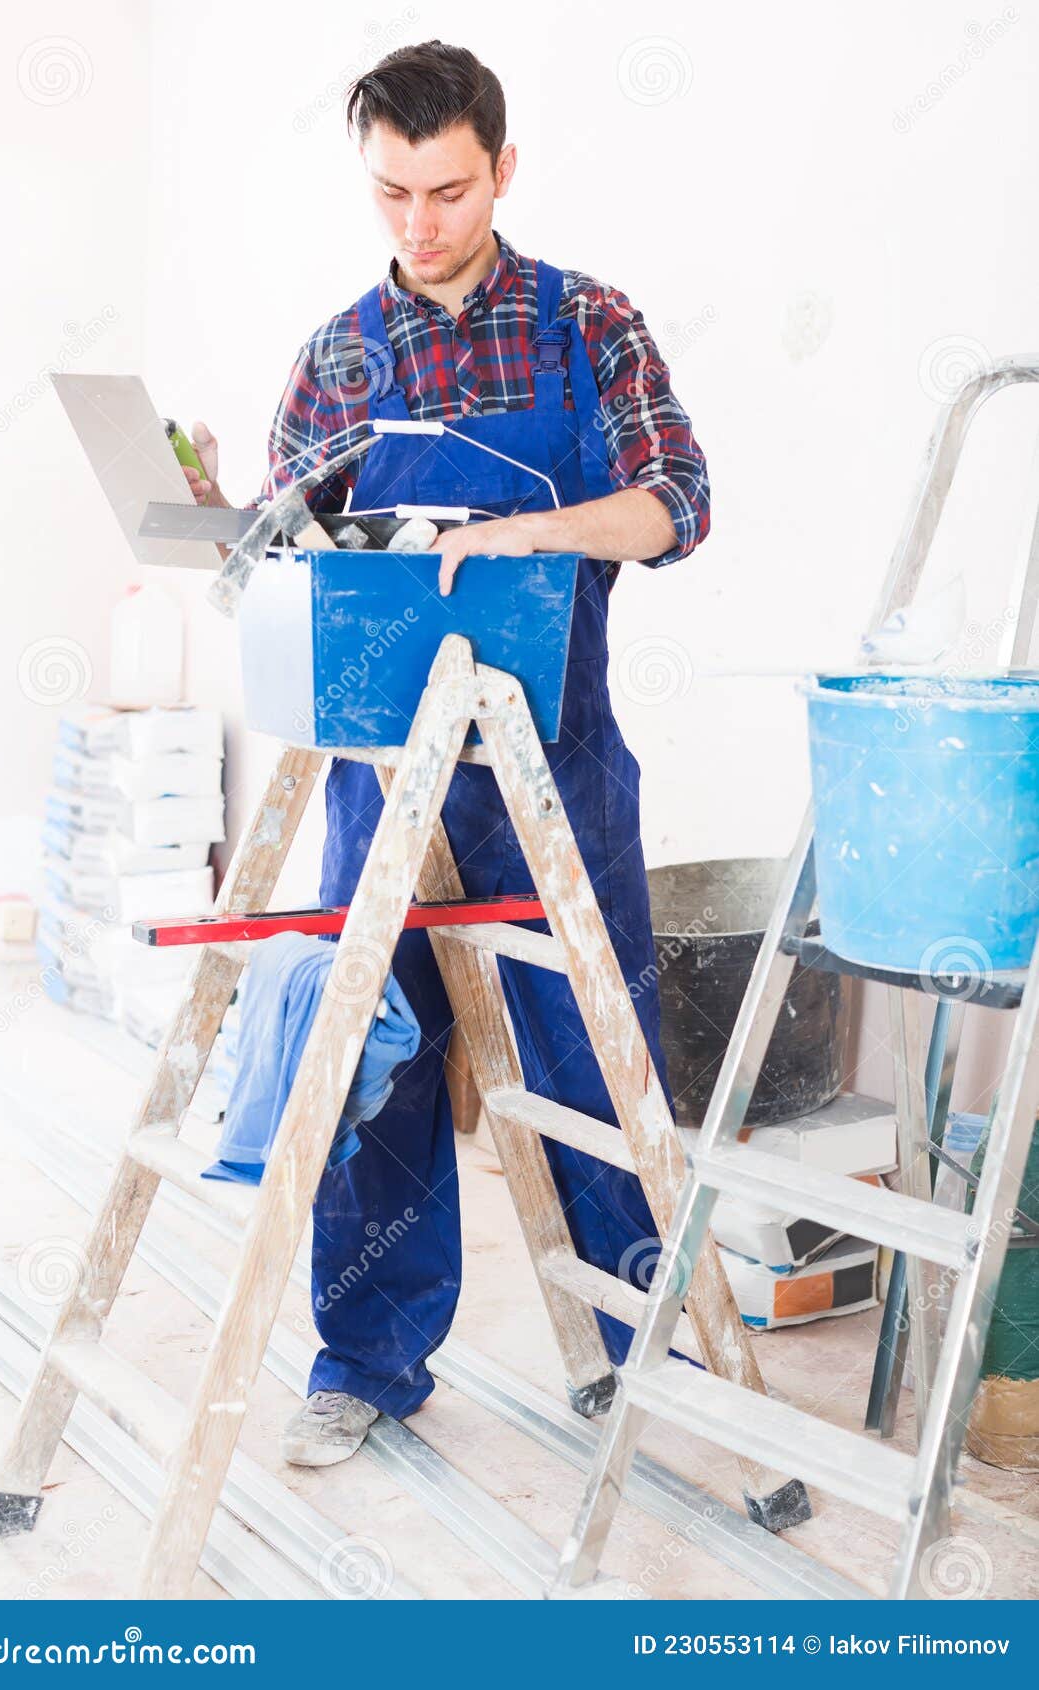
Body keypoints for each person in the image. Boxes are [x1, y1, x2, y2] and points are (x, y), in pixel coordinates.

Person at [182, 39, 711, 1467]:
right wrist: (213, 517)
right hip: (386, 776)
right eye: (393, 192)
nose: (420, 223)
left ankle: (637, 1364)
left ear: (504, 167)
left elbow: (677, 501)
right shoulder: (342, 352)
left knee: (601, 1066)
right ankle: (366, 1358)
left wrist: (534, 530)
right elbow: (275, 567)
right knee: (383, 1063)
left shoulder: (587, 325)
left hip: (557, 765)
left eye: (450, 189)